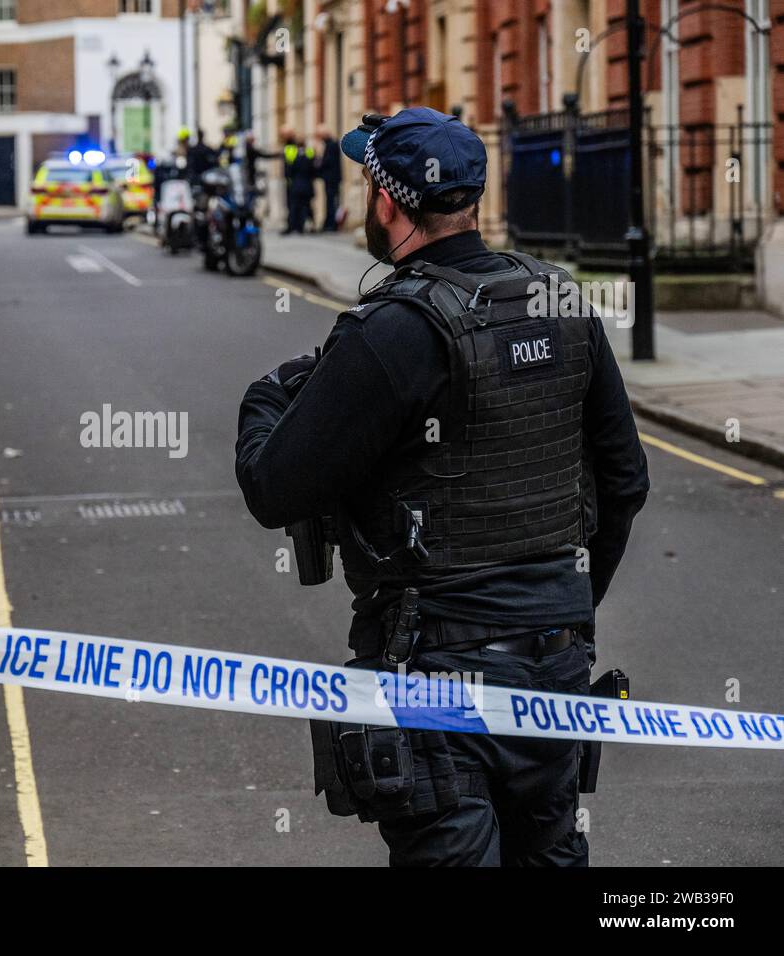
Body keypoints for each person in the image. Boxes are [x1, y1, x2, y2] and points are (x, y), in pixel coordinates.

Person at [235, 107, 649, 866]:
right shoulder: (560, 302)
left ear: (386, 201)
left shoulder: (393, 330)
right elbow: (624, 481)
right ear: (473, 200)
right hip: (553, 670)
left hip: (436, 684)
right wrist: (566, 605)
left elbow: (276, 487)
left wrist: (266, 396)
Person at [279, 127, 315, 235]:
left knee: (294, 206)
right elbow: (313, 167)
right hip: (307, 184)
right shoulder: (310, 152)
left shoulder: (292, 152)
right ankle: (302, 226)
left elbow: (289, 169)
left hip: (295, 184)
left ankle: (294, 226)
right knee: (305, 206)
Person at [315, 125, 342, 232]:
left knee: (331, 201)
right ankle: (329, 222)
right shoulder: (331, 144)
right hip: (331, 178)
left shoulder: (331, 145)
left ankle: (331, 223)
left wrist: (318, 163)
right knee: (330, 200)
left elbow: (328, 161)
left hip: (332, 178)